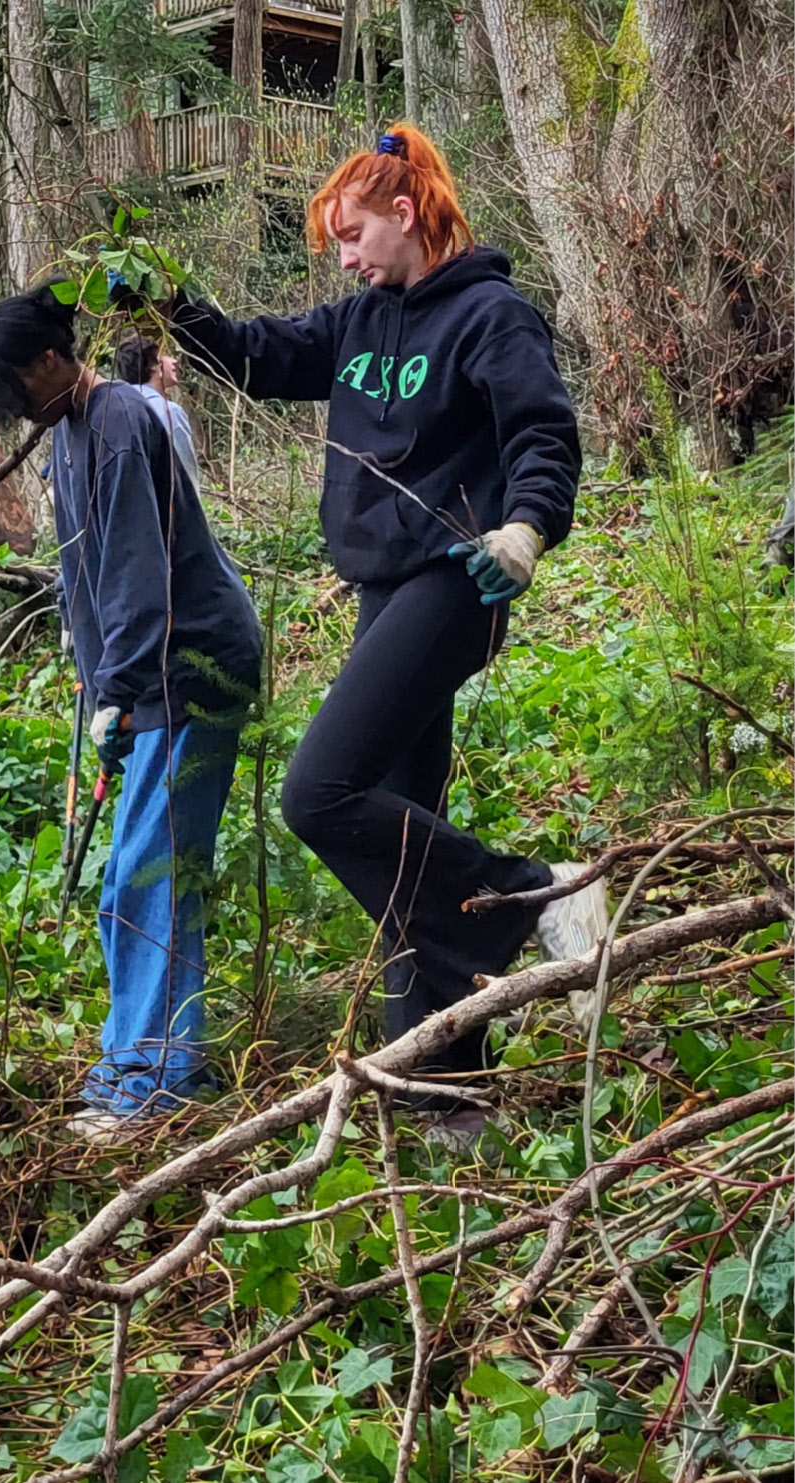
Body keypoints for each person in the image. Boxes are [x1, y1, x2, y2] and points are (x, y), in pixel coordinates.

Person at [156, 122, 609, 1142]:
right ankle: (446, 1096)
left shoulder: (490, 314)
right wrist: (168, 303)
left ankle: (529, 892)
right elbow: (254, 355)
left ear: (404, 213)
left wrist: (527, 527)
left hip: (455, 578)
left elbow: (542, 430)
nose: (345, 257)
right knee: (402, 832)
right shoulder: (359, 321)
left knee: (317, 792)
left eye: (353, 234)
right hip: (381, 587)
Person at [0, 286, 262, 1138]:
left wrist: (122, 691)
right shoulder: (67, 433)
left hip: (190, 669)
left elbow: (138, 574)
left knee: (147, 873)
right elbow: (83, 572)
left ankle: (154, 1080)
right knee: (138, 870)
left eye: (20, 392)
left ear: (49, 360)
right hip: (142, 681)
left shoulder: (122, 420)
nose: (22, 414)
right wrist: (94, 681)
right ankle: (147, 1059)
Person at [112, 334, 200, 488]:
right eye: (165, 355)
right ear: (154, 365)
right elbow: (186, 476)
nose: (174, 361)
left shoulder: (115, 411)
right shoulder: (169, 412)